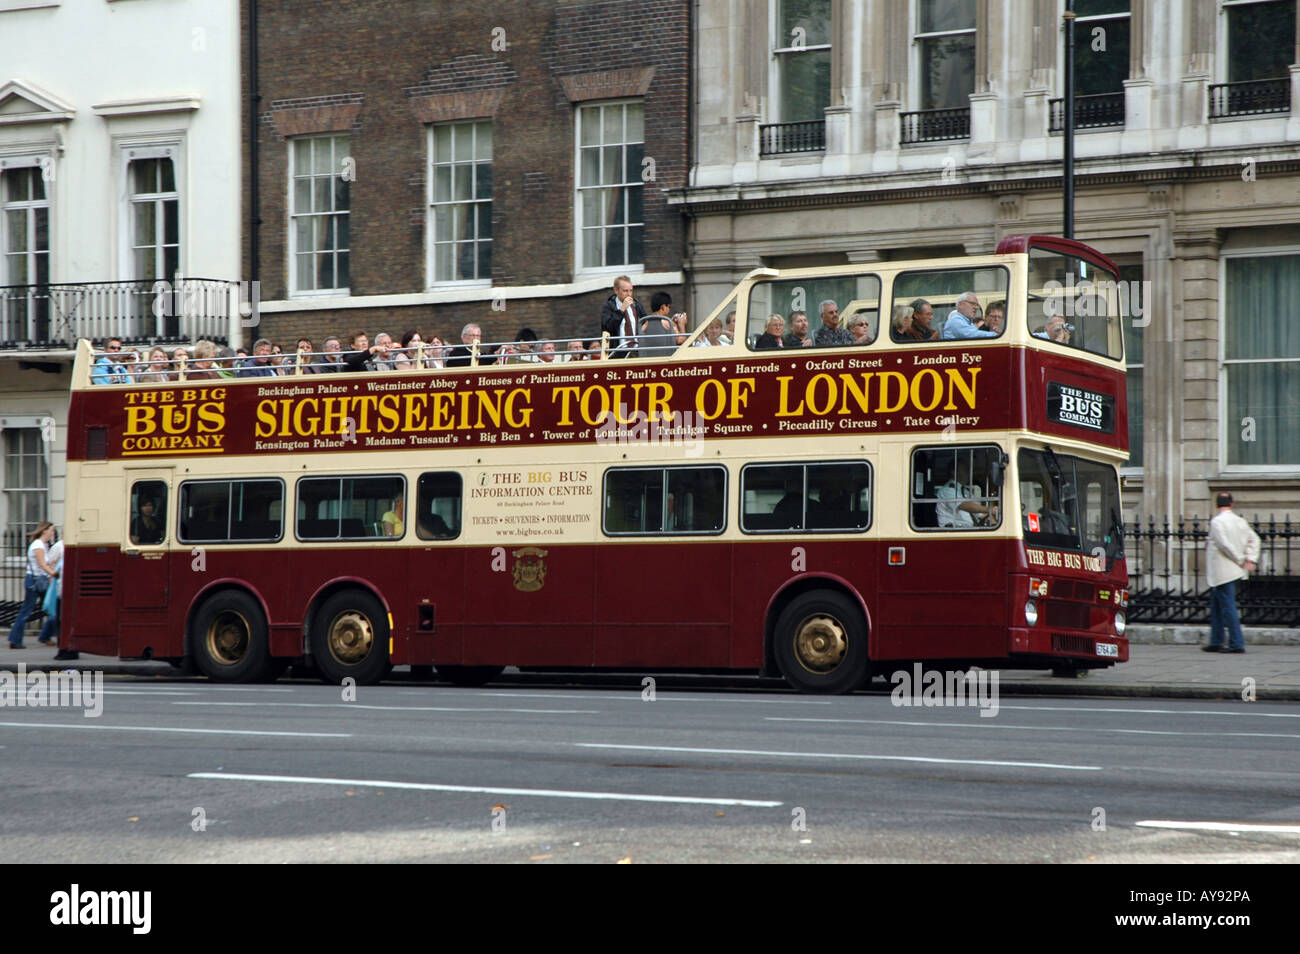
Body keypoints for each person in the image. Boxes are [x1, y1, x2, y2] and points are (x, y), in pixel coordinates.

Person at [1203, 492, 1261, 654]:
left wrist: (1241, 559)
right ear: (1232, 504)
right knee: (1216, 605)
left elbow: (1224, 545)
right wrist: (1250, 558)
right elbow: (1255, 539)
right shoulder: (1240, 521)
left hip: (1223, 571)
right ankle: (1216, 640)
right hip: (1234, 570)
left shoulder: (1217, 522)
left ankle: (1237, 643)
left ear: (1216, 504)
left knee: (1228, 607)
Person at [8, 522, 59, 649]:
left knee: (52, 608)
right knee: (31, 610)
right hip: (35, 581)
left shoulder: (44, 545)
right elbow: (42, 564)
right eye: (51, 530)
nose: (53, 533)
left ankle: (44, 636)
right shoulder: (38, 545)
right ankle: (15, 640)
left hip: (39, 580)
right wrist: (54, 574)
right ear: (44, 531)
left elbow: (46, 562)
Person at [935, 459, 997, 528]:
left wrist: (992, 521)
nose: (969, 472)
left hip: (967, 530)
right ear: (954, 472)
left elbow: (979, 513)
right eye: (966, 469)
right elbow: (964, 505)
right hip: (952, 532)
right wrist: (989, 509)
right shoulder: (947, 490)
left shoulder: (966, 491)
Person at [600, 275, 646, 358]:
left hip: (637, 350)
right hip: (618, 351)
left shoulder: (637, 305)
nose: (629, 294)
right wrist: (622, 309)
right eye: (625, 291)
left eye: (631, 291)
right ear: (616, 290)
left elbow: (646, 322)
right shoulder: (609, 306)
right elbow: (608, 328)